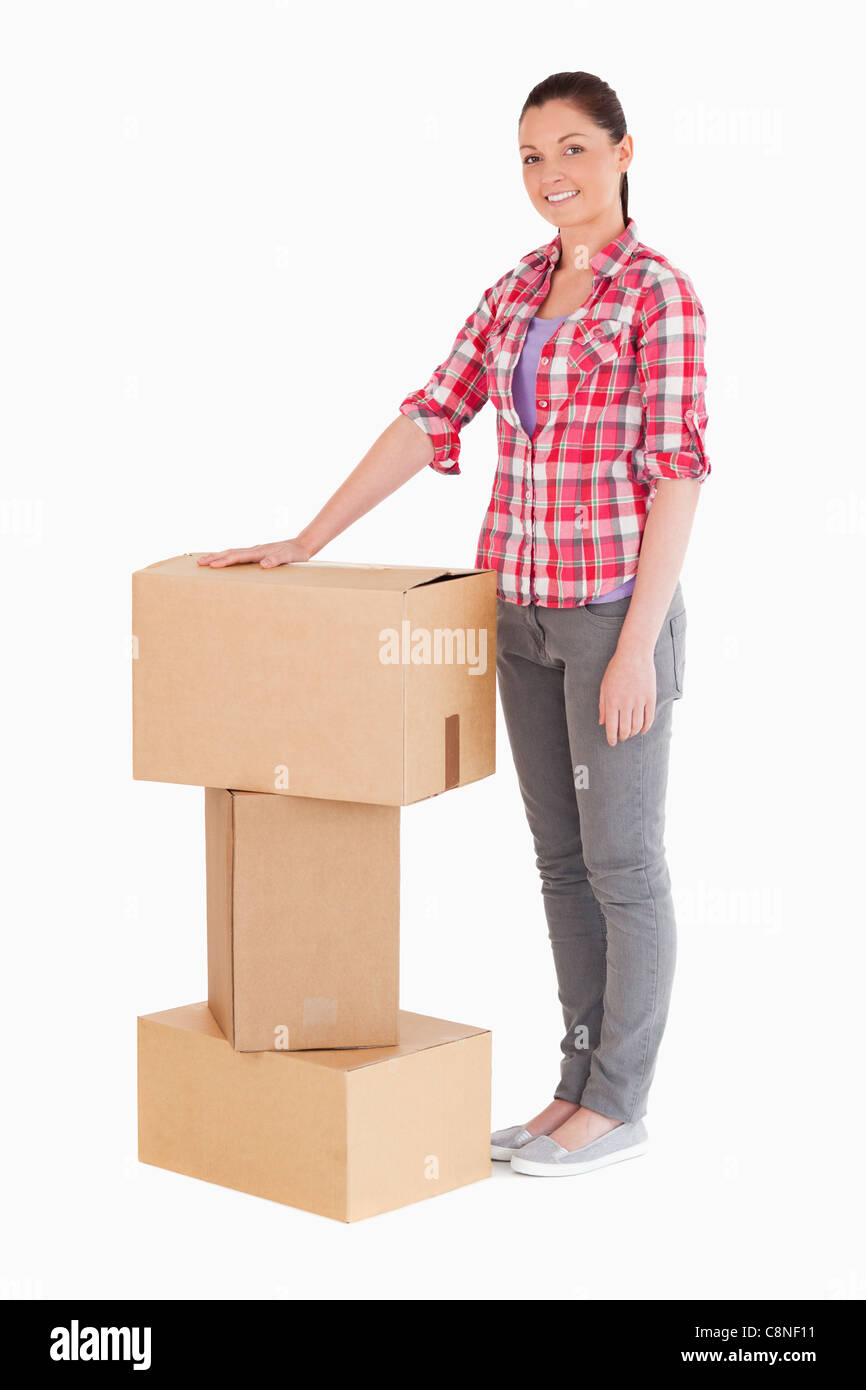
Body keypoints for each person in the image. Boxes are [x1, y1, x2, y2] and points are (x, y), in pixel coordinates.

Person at [198, 70, 711, 1180]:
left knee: (623, 864)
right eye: (530, 157)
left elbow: (676, 476)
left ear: (624, 154)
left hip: (610, 617)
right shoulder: (519, 290)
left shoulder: (655, 296)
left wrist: (635, 649)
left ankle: (618, 1103)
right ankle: (570, 1087)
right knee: (558, 863)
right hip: (514, 615)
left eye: (572, 150)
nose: (550, 177)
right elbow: (433, 410)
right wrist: (307, 537)